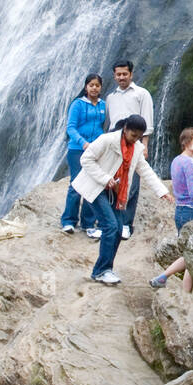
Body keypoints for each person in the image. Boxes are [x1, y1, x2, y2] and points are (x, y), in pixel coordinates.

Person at [70, 115, 173, 285]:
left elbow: (145, 171)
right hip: (97, 187)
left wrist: (162, 191)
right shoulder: (107, 140)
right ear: (125, 129)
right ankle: (100, 271)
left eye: (139, 137)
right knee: (110, 226)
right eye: (133, 135)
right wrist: (105, 178)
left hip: (117, 191)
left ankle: (106, 268)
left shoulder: (137, 148)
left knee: (118, 229)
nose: (135, 140)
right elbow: (85, 159)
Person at [150, 127, 193, 291]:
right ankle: (164, 276)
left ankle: (185, 293)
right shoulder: (190, 162)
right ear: (186, 143)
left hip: (180, 211)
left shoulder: (177, 160)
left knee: (191, 253)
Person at [105, 60, 154, 240]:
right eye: (118, 74)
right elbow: (109, 123)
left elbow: (147, 122)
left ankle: (126, 223)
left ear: (131, 74)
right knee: (112, 181)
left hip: (135, 141)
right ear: (114, 75)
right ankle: (112, 221)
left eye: (125, 74)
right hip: (114, 140)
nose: (121, 77)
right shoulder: (111, 97)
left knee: (131, 183)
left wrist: (145, 146)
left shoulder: (142, 94)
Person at [60, 73, 106, 238]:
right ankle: (68, 221)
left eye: (97, 85)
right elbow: (70, 128)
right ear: (86, 87)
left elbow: (102, 126)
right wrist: (83, 142)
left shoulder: (103, 105)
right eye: (91, 85)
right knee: (76, 184)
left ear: (101, 88)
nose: (94, 88)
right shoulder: (77, 104)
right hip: (77, 149)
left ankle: (88, 223)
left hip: (96, 149)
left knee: (92, 184)